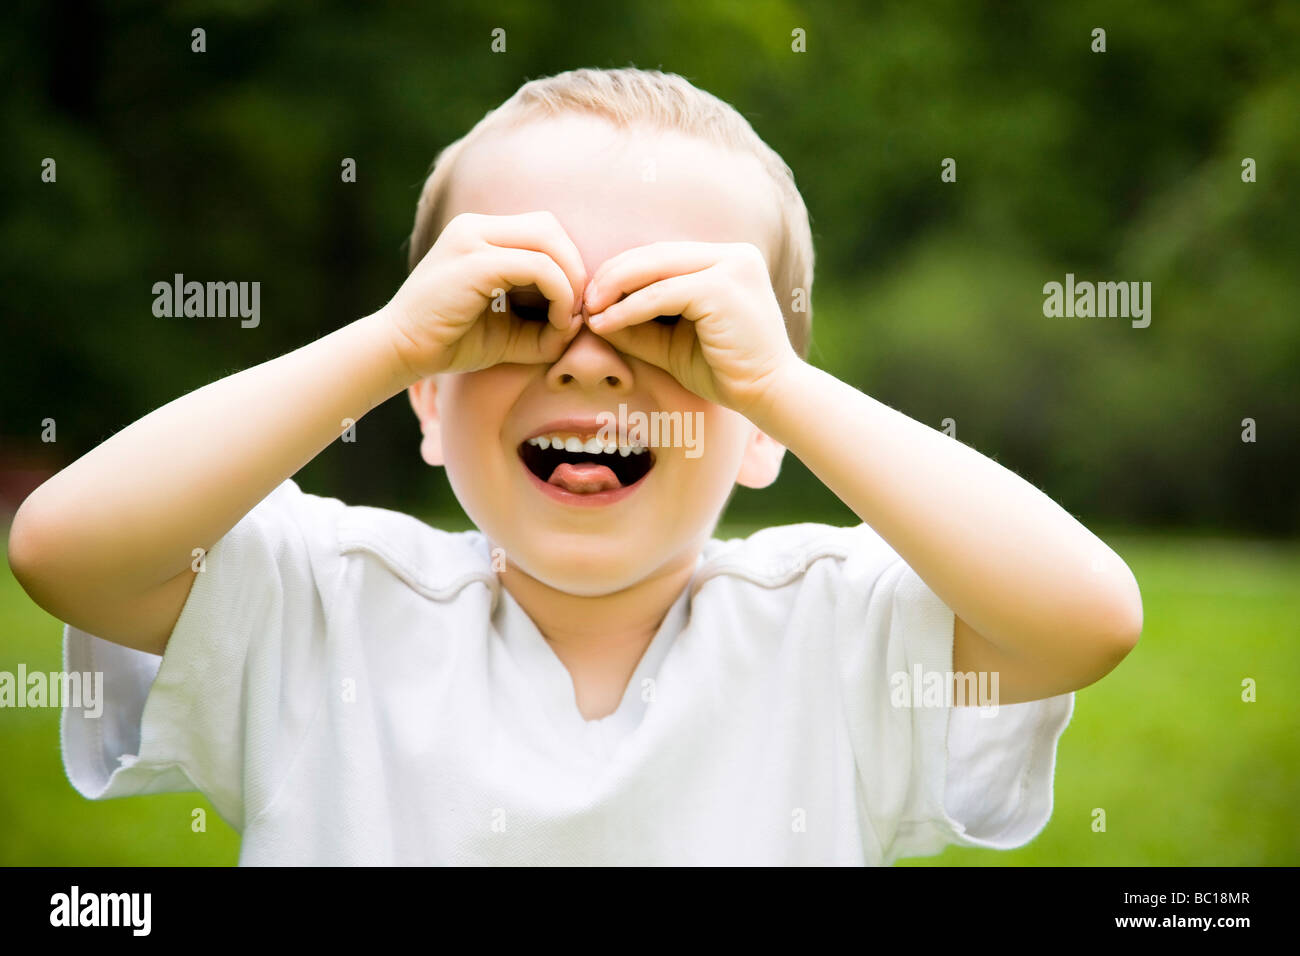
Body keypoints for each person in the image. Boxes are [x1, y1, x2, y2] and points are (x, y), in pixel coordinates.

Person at [8, 67, 1141, 865]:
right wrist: (391, 336)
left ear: (758, 426)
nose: (591, 369)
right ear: (428, 398)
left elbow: (1080, 619)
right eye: (517, 311)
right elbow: (67, 550)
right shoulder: (320, 604)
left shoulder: (830, 636)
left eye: (675, 327)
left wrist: (784, 386)